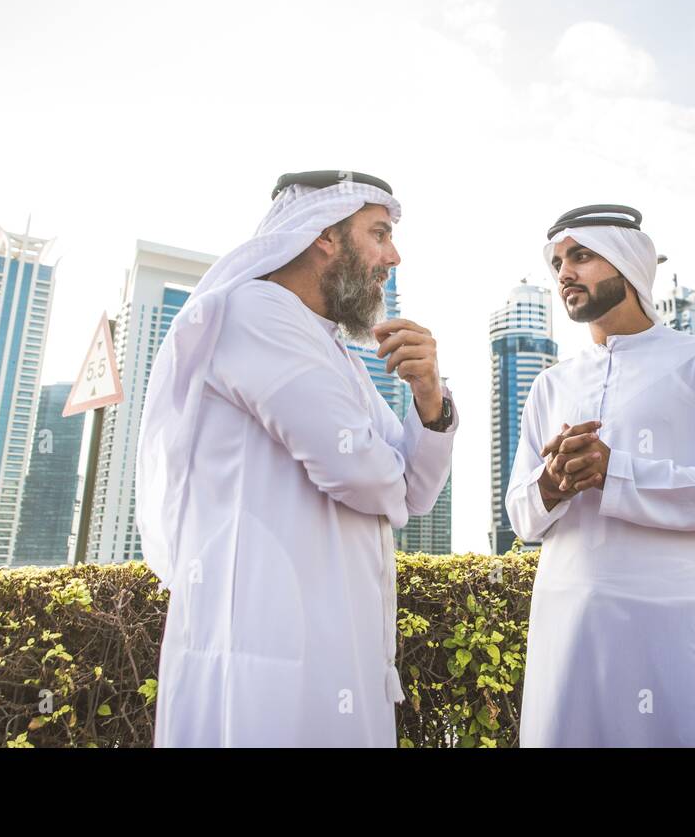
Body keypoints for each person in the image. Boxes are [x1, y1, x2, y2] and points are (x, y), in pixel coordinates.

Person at [135, 170, 458, 746]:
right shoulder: (256, 310)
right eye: (379, 234)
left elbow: (414, 491)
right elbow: (358, 471)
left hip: (336, 641)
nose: (394, 255)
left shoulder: (335, 349)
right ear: (323, 236)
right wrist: (383, 473)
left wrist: (429, 399)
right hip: (264, 642)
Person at [505, 203, 695, 746]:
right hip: (571, 628)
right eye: (558, 262)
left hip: (680, 631)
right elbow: (521, 516)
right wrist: (554, 483)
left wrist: (618, 473)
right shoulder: (550, 385)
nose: (564, 274)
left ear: (628, 266)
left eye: (580, 256)